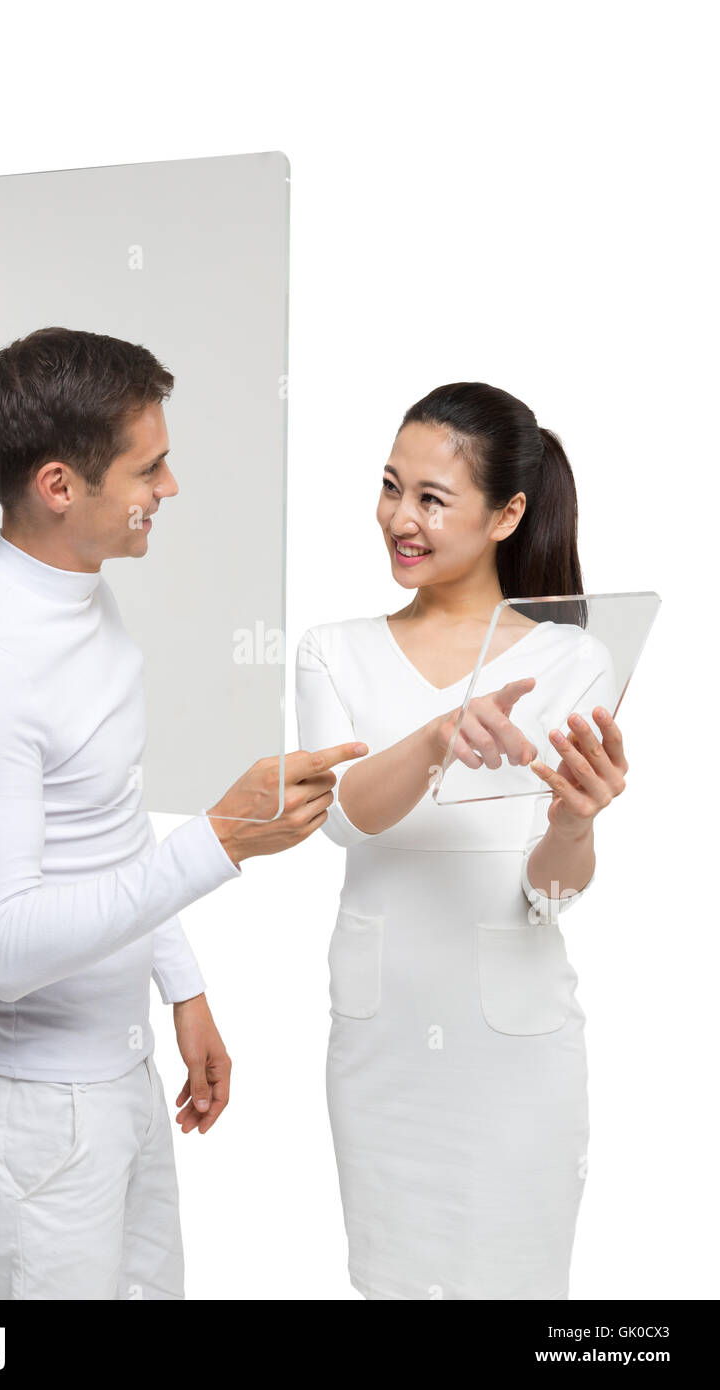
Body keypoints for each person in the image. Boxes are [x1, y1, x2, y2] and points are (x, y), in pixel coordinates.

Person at [0, 325, 366, 1300]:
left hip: (116, 1077)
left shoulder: (79, 599)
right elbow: (5, 947)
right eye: (150, 467)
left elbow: (100, 828)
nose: (170, 487)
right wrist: (219, 841)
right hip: (33, 1111)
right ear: (60, 486)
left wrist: (181, 986)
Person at [294, 381, 628, 1301]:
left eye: (432, 498)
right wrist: (441, 733)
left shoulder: (570, 660)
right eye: (391, 486)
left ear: (507, 514)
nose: (400, 517)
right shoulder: (335, 649)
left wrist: (574, 823)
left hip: (515, 1049)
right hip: (383, 1048)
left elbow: (550, 893)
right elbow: (340, 813)